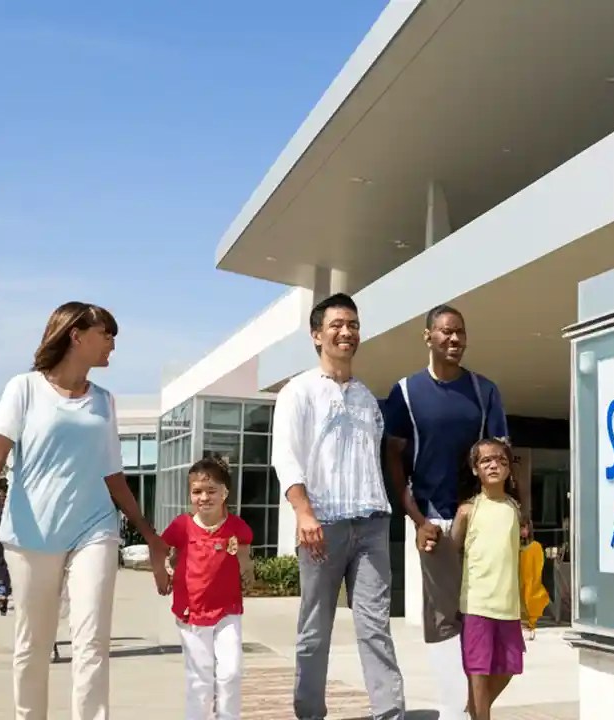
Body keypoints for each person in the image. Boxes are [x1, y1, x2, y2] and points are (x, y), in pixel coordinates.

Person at [0, 301, 171, 720]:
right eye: (106, 334)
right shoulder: (24, 388)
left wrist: (149, 535)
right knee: (33, 644)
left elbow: (113, 476)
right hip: (32, 530)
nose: (113, 344)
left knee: (92, 640)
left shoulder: (104, 402)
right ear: (76, 335)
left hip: (93, 528)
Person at [382, 303, 528, 720]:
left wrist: (519, 514)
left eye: (461, 332)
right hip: (437, 524)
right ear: (427, 336)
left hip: (484, 519)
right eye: (445, 332)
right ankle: (456, 711)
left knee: (494, 629)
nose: (454, 339)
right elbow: (395, 460)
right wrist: (418, 520)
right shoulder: (406, 392)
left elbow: (503, 456)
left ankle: (470, 710)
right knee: (450, 624)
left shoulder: (485, 391)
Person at [271, 292, 406, 720]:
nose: (346, 332)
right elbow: (285, 456)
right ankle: (309, 712)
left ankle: (390, 712)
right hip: (322, 526)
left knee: (375, 626)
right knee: (315, 629)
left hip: (371, 525)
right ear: (316, 335)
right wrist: (303, 512)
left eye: (353, 324)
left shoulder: (368, 397)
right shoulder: (298, 391)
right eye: (336, 325)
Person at [161, 456, 255, 720]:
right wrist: (164, 568)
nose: (204, 497)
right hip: (192, 613)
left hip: (228, 611)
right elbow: (160, 549)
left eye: (211, 491)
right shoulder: (181, 526)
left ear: (225, 493)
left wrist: (246, 566)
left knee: (231, 672)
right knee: (199, 680)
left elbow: (245, 547)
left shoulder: (236, 526)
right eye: (197, 491)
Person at [452, 438, 527, 720]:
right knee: (478, 670)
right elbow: (451, 552)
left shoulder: (514, 509)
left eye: (501, 460)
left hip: (508, 606)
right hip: (477, 604)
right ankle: (480, 715)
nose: (494, 464)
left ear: (508, 469)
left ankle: (476, 709)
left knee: (509, 667)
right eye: (486, 461)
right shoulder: (468, 511)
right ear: (475, 470)